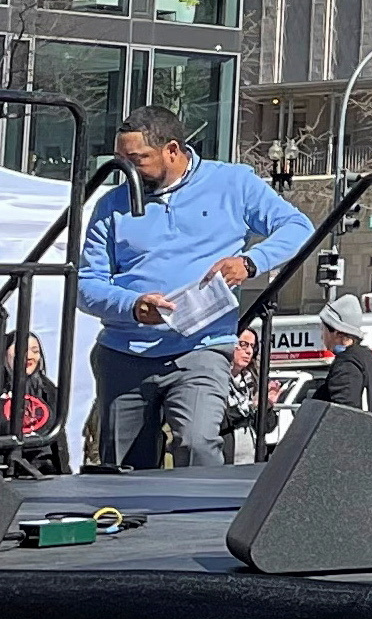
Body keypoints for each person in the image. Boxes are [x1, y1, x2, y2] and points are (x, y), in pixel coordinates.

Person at [79, 105, 313, 469]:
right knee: (123, 465)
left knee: (198, 441)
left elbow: (298, 227)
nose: (126, 170)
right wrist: (133, 306)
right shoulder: (111, 205)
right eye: (120, 160)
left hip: (201, 346)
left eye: (137, 160)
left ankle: (204, 507)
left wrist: (250, 262)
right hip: (124, 350)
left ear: (172, 150)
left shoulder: (233, 183)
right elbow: (86, 285)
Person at [2, 330, 66, 475]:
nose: (29, 356)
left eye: (35, 351)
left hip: (42, 468)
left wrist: (63, 472)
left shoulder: (47, 389)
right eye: (21, 350)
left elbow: (59, 438)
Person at [309, 296, 372, 411]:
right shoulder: (368, 357)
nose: (321, 335)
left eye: (323, 329)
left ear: (337, 333)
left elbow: (344, 412)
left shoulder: (346, 365)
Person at [220, 327, 269, 463]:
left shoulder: (253, 382)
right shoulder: (217, 380)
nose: (249, 351)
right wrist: (251, 408)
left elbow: (268, 427)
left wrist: (267, 405)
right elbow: (222, 421)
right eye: (243, 344)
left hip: (251, 459)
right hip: (225, 460)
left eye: (252, 346)